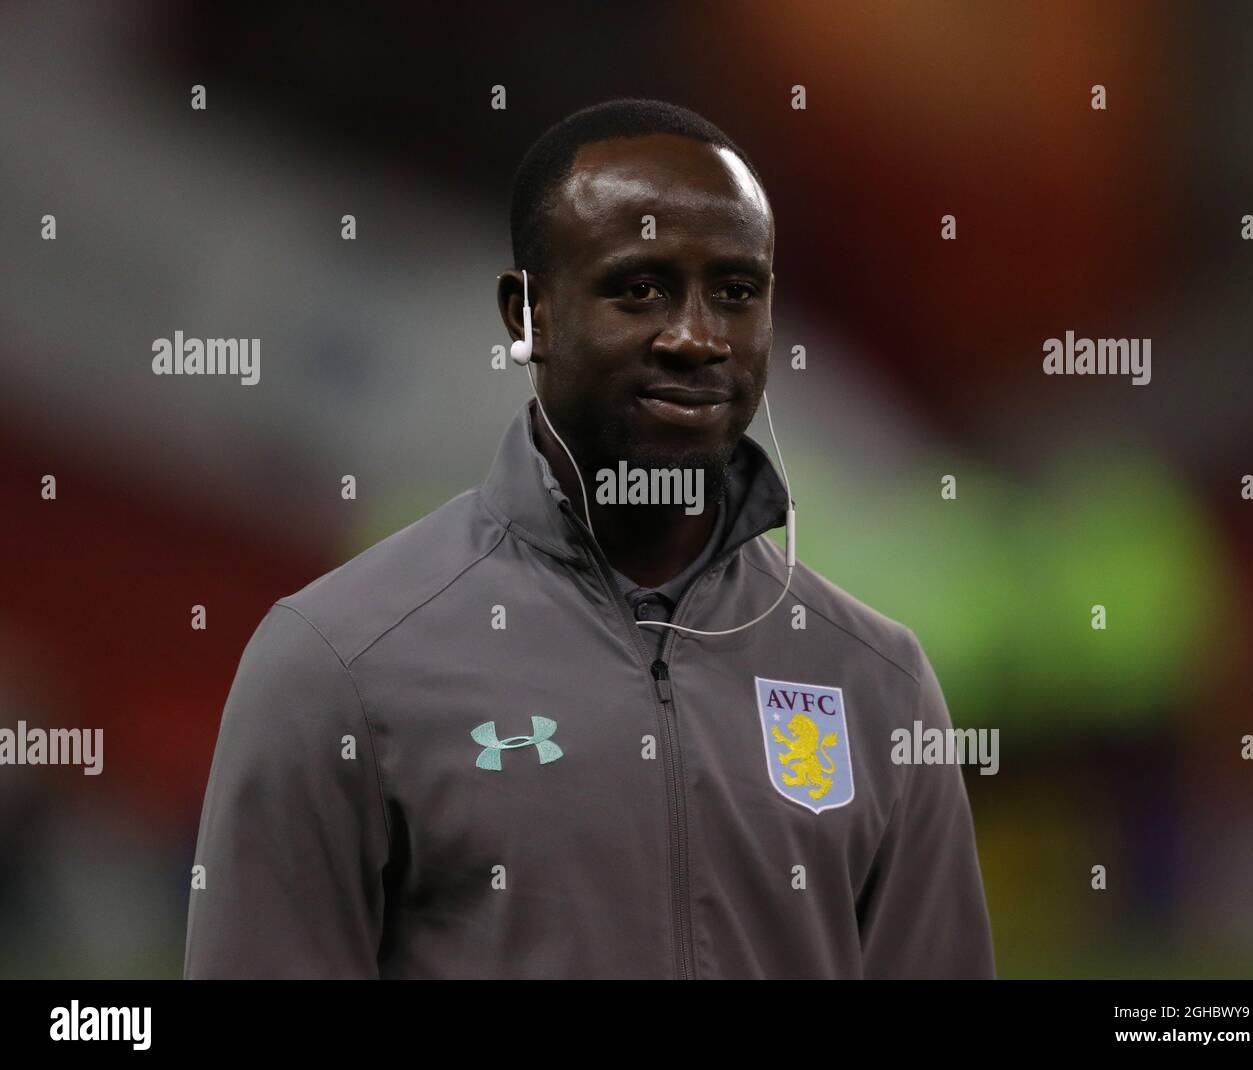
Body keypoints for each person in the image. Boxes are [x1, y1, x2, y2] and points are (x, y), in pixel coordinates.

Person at [184, 97, 995, 979]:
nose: (695, 338)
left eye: (735, 292)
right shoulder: (338, 663)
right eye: (638, 287)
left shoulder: (877, 679)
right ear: (523, 314)